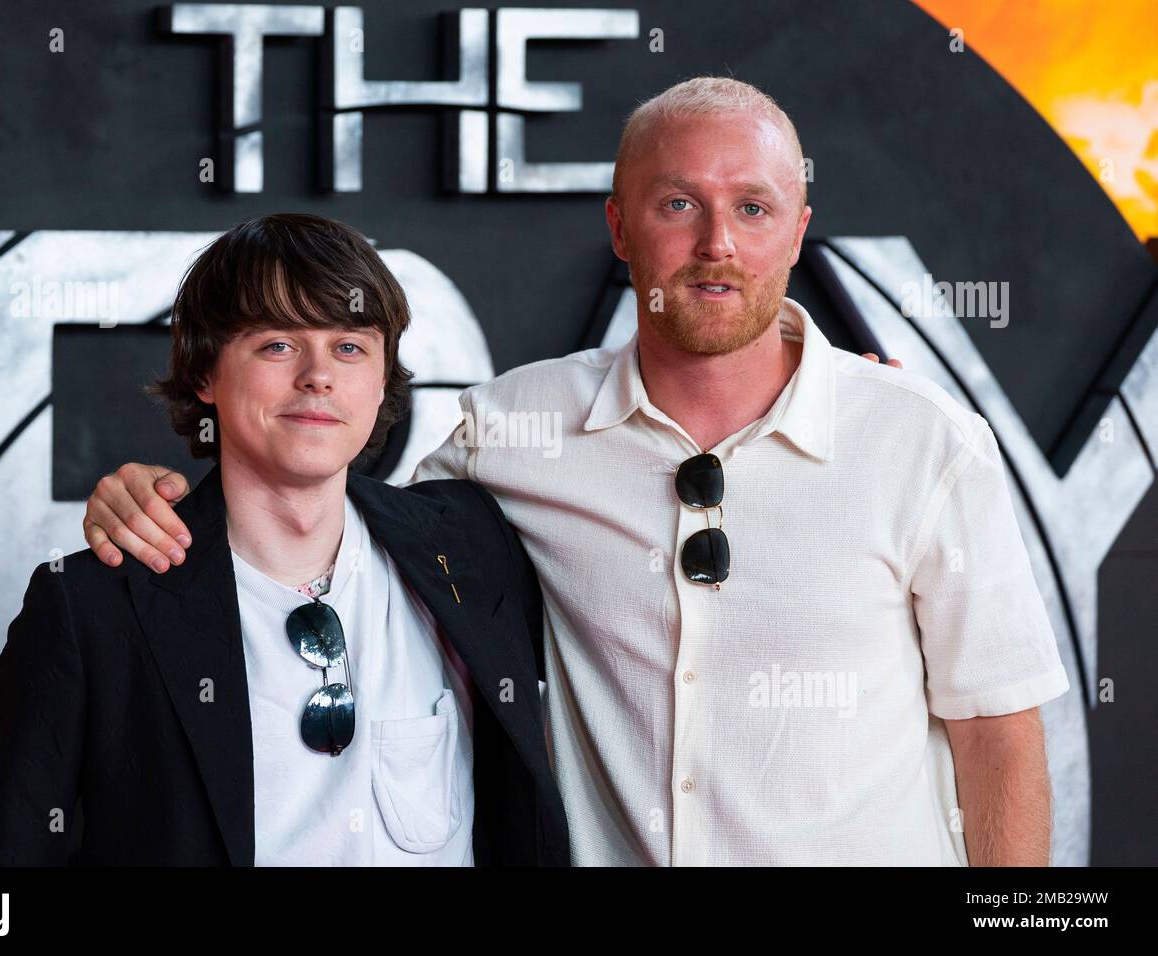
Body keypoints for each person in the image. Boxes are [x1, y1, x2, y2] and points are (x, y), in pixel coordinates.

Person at [78, 77, 1067, 866]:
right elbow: (330, 512)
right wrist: (164, 492)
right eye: (677, 203)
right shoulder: (512, 430)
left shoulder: (924, 441)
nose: (716, 243)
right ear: (619, 226)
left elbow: (997, 738)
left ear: (797, 230)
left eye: (752, 207)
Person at [0, 213, 568, 866]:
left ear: (382, 375)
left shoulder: (474, 543)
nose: (318, 375)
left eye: (349, 347)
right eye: (278, 344)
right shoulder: (90, 609)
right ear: (204, 373)